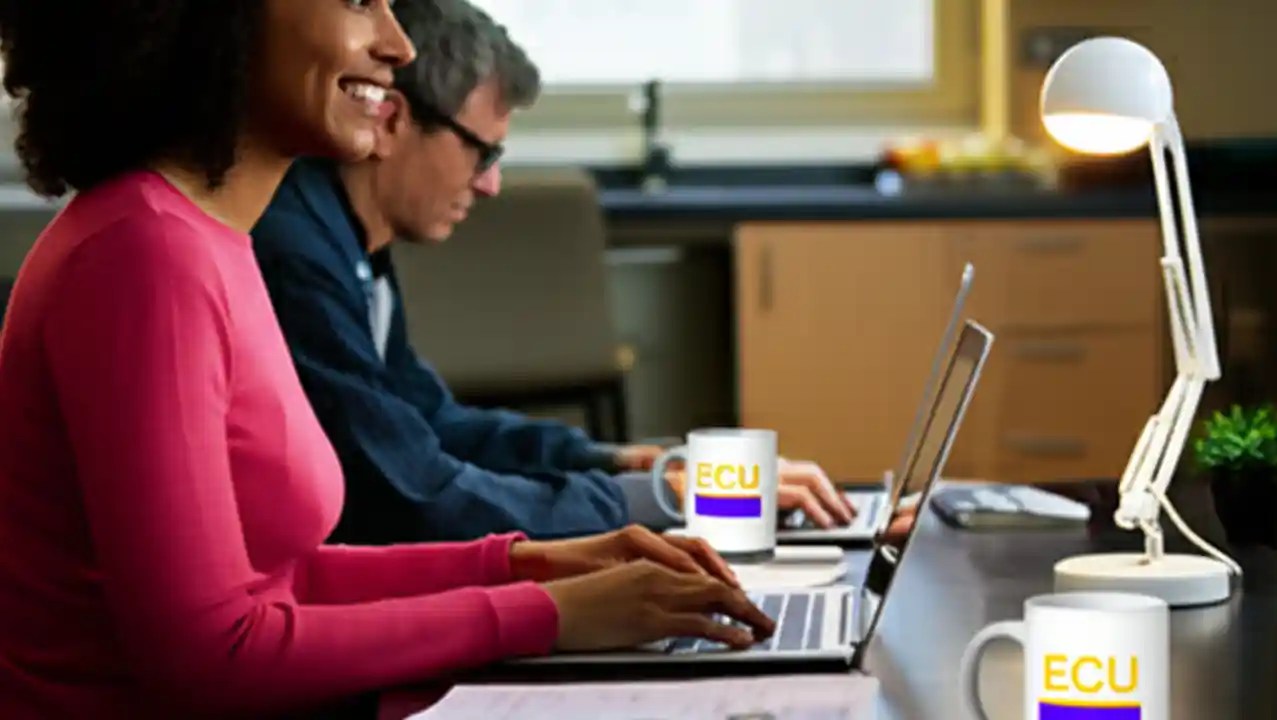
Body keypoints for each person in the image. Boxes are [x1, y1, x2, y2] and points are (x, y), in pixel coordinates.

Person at [0, 2, 772, 718]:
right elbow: (210, 654)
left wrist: (533, 567)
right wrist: (544, 614)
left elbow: (288, 580)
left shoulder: (207, 240)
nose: (397, 45)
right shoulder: (148, 256)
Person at [251, 0, 858, 546]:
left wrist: (632, 466)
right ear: (390, 121)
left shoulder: (351, 244)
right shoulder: (298, 255)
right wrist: (667, 501)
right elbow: (415, 496)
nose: (491, 184)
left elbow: (436, 426)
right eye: (481, 152)